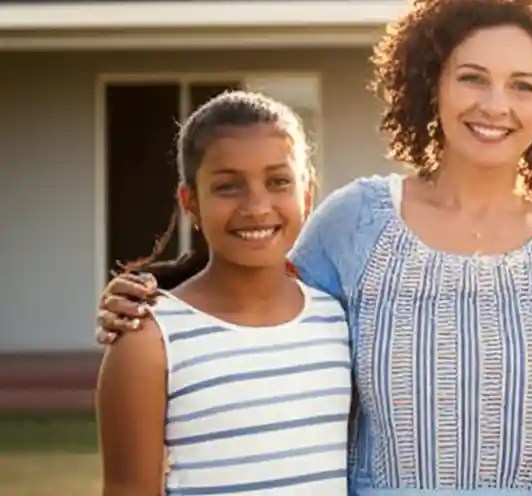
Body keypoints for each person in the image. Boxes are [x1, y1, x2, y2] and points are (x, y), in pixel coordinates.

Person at [94, 0, 532, 496]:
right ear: (434, 84)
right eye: (472, 77)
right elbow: (257, 293)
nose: (495, 105)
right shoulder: (357, 223)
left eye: (523, 85)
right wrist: (155, 292)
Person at [96, 90, 351, 496]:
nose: (257, 205)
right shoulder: (148, 340)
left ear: (306, 192)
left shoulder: (338, 321)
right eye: (228, 187)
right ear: (190, 202)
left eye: (278, 181)